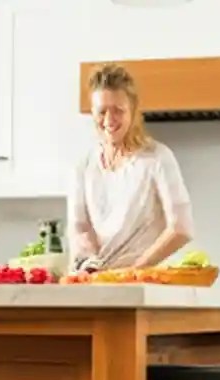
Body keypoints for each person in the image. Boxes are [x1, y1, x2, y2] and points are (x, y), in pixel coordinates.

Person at [67, 63, 195, 273]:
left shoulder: (157, 158)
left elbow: (181, 228)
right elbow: (80, 228)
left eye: (118, 110)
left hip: (143, 280)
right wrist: (89, 263)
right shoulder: (83, 165)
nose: (109, 120)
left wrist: (136, 270)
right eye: (102, 111)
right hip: (96, 281)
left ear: (133, 111)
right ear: (92, 112)